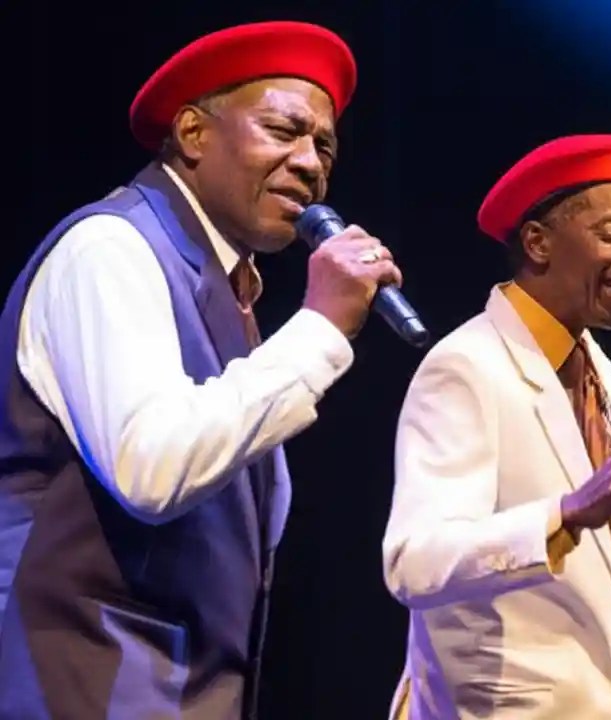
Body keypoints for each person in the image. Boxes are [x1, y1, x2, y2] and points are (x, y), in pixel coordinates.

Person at [0, 21, 402, 718]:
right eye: (284, 131)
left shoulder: (228, 292)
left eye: (324, 146)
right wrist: (319, 328)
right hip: (78, 680)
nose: (311, 163)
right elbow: (151, 467)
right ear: (192, 134)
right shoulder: (112, 248)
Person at [382, 134, 611, 719]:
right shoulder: (467, 366)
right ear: (537, 242)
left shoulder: (590, 369)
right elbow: (416, 562)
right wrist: (564, 514)